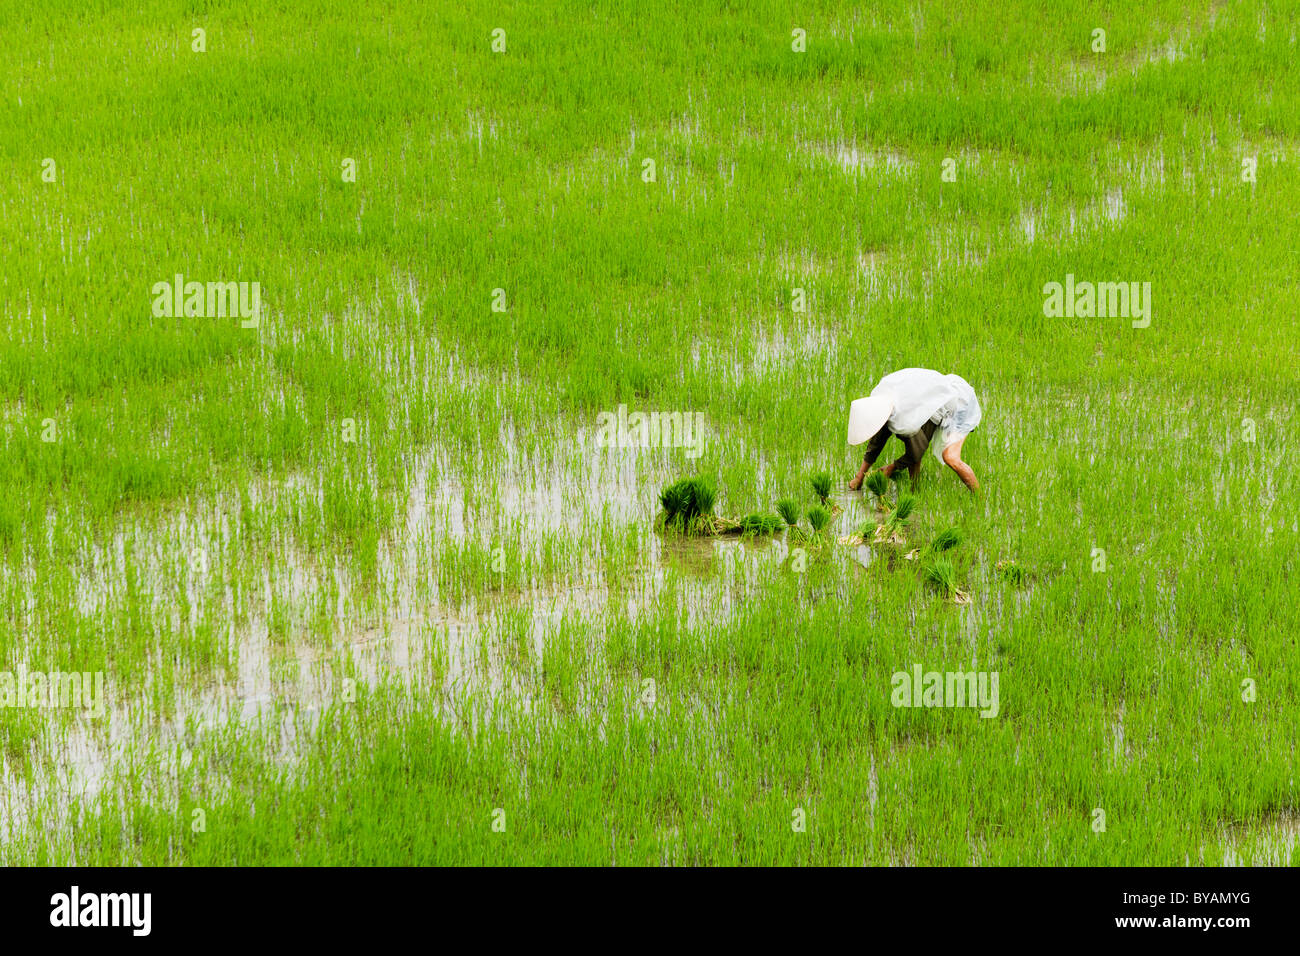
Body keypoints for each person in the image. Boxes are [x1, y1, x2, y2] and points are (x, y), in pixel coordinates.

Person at [846, 368, 981, 492]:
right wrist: (859, 477)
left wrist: (892, 467)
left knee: (951, 458)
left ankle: (979, 499)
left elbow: (916, 452)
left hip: (958, 401)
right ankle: (915, 491)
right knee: (914, 444)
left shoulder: (905, 420)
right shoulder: (880, 401)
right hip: (934, 396)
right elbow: (876, 443)